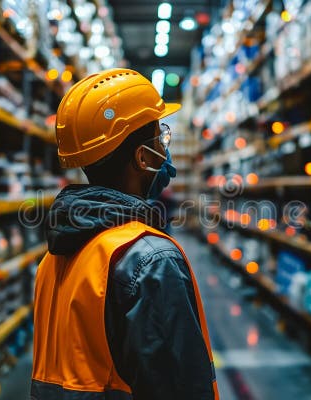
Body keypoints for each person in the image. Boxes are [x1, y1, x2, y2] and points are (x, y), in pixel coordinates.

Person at [30, 68, 220, 400]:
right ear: (143, 157)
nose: (166, 146)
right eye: (161, 138)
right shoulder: (149, 260)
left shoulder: (55, 258)